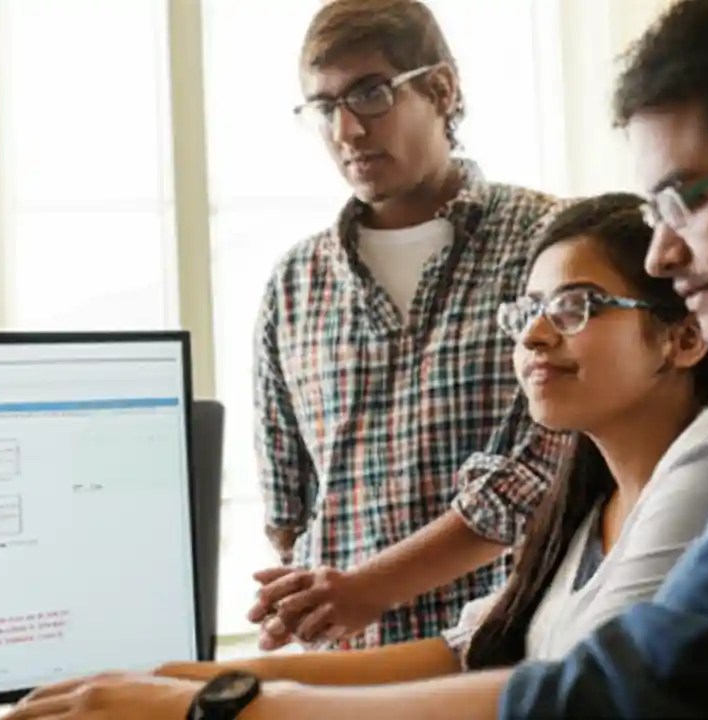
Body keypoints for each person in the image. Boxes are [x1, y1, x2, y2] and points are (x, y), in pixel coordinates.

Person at [3, 1, 708, 718]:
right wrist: (210, 677)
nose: (666, 255)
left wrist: (219, 705)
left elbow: (641, 691)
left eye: (683, 201)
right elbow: (484, 645)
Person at [1, 192, 708, 717]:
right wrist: (177, 677)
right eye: (525, 312)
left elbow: (572, 700)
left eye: (573, 308)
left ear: (683, 337)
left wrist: (210, 706)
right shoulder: (588, 500)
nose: (532, 337)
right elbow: (460, 654)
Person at [251, 0, 570, 650]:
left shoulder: (552, 245)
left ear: (442, 88)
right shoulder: (292, 286)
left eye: (370, 94)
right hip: (343, 686)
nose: (347, 130)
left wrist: (370, 586)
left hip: (508, 665)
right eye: (323, 107)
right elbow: (289, 513)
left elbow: (551, 467)